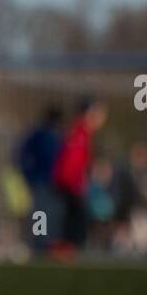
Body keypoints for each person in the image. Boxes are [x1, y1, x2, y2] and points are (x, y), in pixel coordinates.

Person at [52, 98, 106, 252]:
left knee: (73, 221)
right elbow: (70, 163)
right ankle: (65, 252)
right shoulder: (79, 133)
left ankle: (67, 251)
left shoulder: (82, 133)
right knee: (74, 222)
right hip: (70, 186)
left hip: (71, 185)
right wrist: (75, 184)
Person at [16, 105, 63, 250]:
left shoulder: (58, 136)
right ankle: (39, 243)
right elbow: (23, 155)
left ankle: (49, 242)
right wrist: (29, 175)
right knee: (41, 212)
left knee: (50, 213)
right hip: (41, 182)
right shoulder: (40, 135)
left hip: (54, 183)